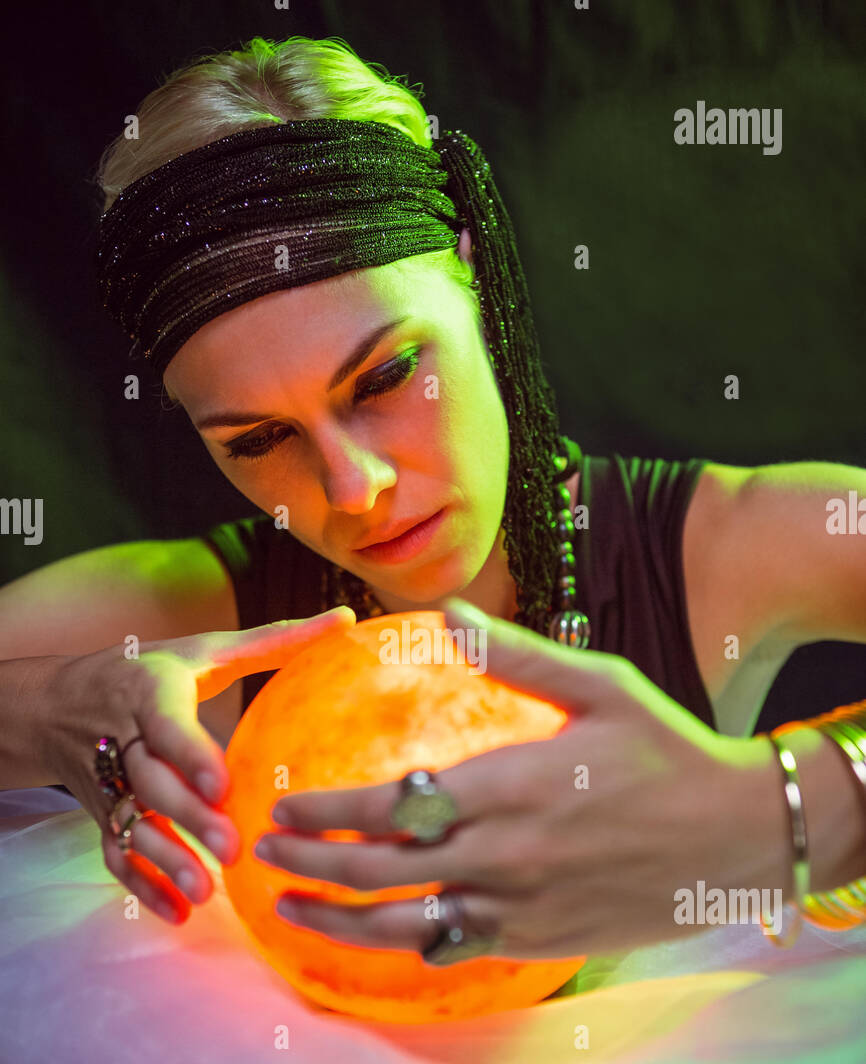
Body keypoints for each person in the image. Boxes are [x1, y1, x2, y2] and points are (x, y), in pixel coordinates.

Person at [1, 35, 865, 971]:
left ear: (476, 280)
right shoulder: (186, 623)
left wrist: (780, 813)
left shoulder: (729, 546)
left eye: (386, 377)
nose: (352, 488)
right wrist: (49, 705)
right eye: (258, 440)